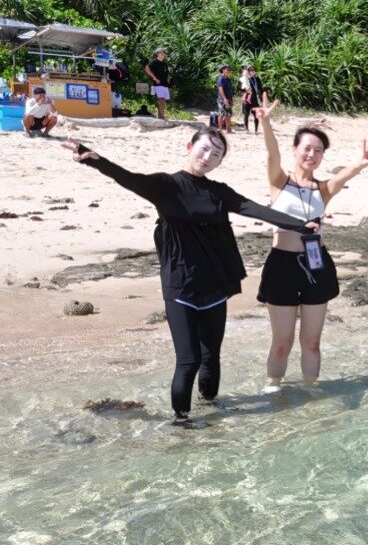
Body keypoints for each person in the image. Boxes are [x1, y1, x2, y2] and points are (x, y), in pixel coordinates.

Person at [62, 129, 318, 426]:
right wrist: (95, 160)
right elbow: (128, 178)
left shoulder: (218, 191)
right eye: (204, 149)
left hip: (214, 283)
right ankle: (181, 423)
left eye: (216, 154)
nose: (208, 157)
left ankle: (211, 411)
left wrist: (300, 225)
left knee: (211, 356)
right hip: (180, 284)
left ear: (220, 162)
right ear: (190, 146)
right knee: (189, 359)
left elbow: (253, 208)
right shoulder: (166, 186)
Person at [253, 97, 368, 392]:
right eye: (307, 148)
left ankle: (311, 391)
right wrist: (266, 123)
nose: (312, 154)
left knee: (311, 341)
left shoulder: (323, 189)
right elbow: (271, 152)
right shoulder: (279, 180)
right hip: (281, 265)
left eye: (318, 150)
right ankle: (274, 387)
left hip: (316, 265)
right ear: (295, 149)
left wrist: (361, 163)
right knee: (282, 342)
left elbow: (344, 175)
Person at [144, 48, 171, 120]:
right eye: (161, 52)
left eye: (163, 53)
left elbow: (167, 73)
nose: (163, 54)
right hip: (158, 84)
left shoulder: (165, 64)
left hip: (165, 84)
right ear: (157, 54)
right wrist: (154, 78)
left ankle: (160, 117)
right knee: (161, 100)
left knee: (163, 101)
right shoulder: (154, 61)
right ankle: (162, 117)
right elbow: (146, 68)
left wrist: (168, 79)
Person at [241, 65, 264, 134]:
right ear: (247, 71)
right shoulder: (245, 79)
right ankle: (246, 129)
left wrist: (261, 97)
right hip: (247, 99)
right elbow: (242, 89)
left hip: (255, 99)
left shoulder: (257, 79)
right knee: (246, 114)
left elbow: (260, 89)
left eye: (253, 70)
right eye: (250, 70)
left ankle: (256, 130)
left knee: (256, 115)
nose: (253, 71)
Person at [216, 65, 234, 133]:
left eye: (229, 70)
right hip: (222, 99)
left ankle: (228, 129)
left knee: (228, 114)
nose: (229, 71)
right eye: (228, 70)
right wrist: (224, 99)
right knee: (221, 114)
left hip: (228, 99)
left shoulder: (228, 79)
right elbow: (220, 89)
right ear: (223, 70)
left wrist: (230, 99)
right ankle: (220, 129)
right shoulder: (220, 78)